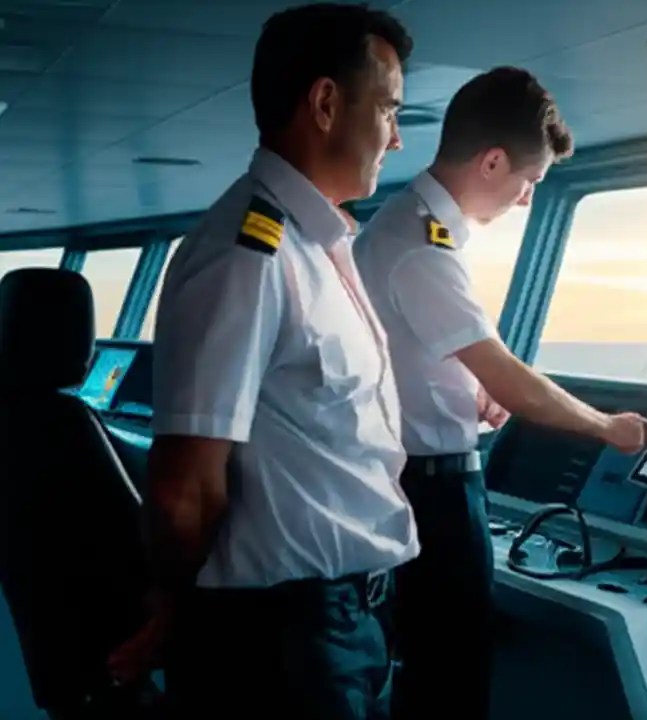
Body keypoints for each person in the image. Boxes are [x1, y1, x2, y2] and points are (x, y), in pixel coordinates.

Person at [353, 66, 647, 719]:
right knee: (451, 681)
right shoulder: (423, 247)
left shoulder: (401, 225)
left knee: (435, 672)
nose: (526, 200)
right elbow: (507, 375)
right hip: (433, 496)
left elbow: (412, 360)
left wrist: (466, 390)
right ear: (492, 161)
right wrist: (612, 429)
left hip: (413, 484)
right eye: (530, 182)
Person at [143, 4, 417, 718]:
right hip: (282, 644)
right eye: (388, 109)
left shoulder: (316, 247)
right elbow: (184, 487)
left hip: (341, 625)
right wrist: (176, 613)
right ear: (326, 103)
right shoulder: (248, 254)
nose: (396, 137)